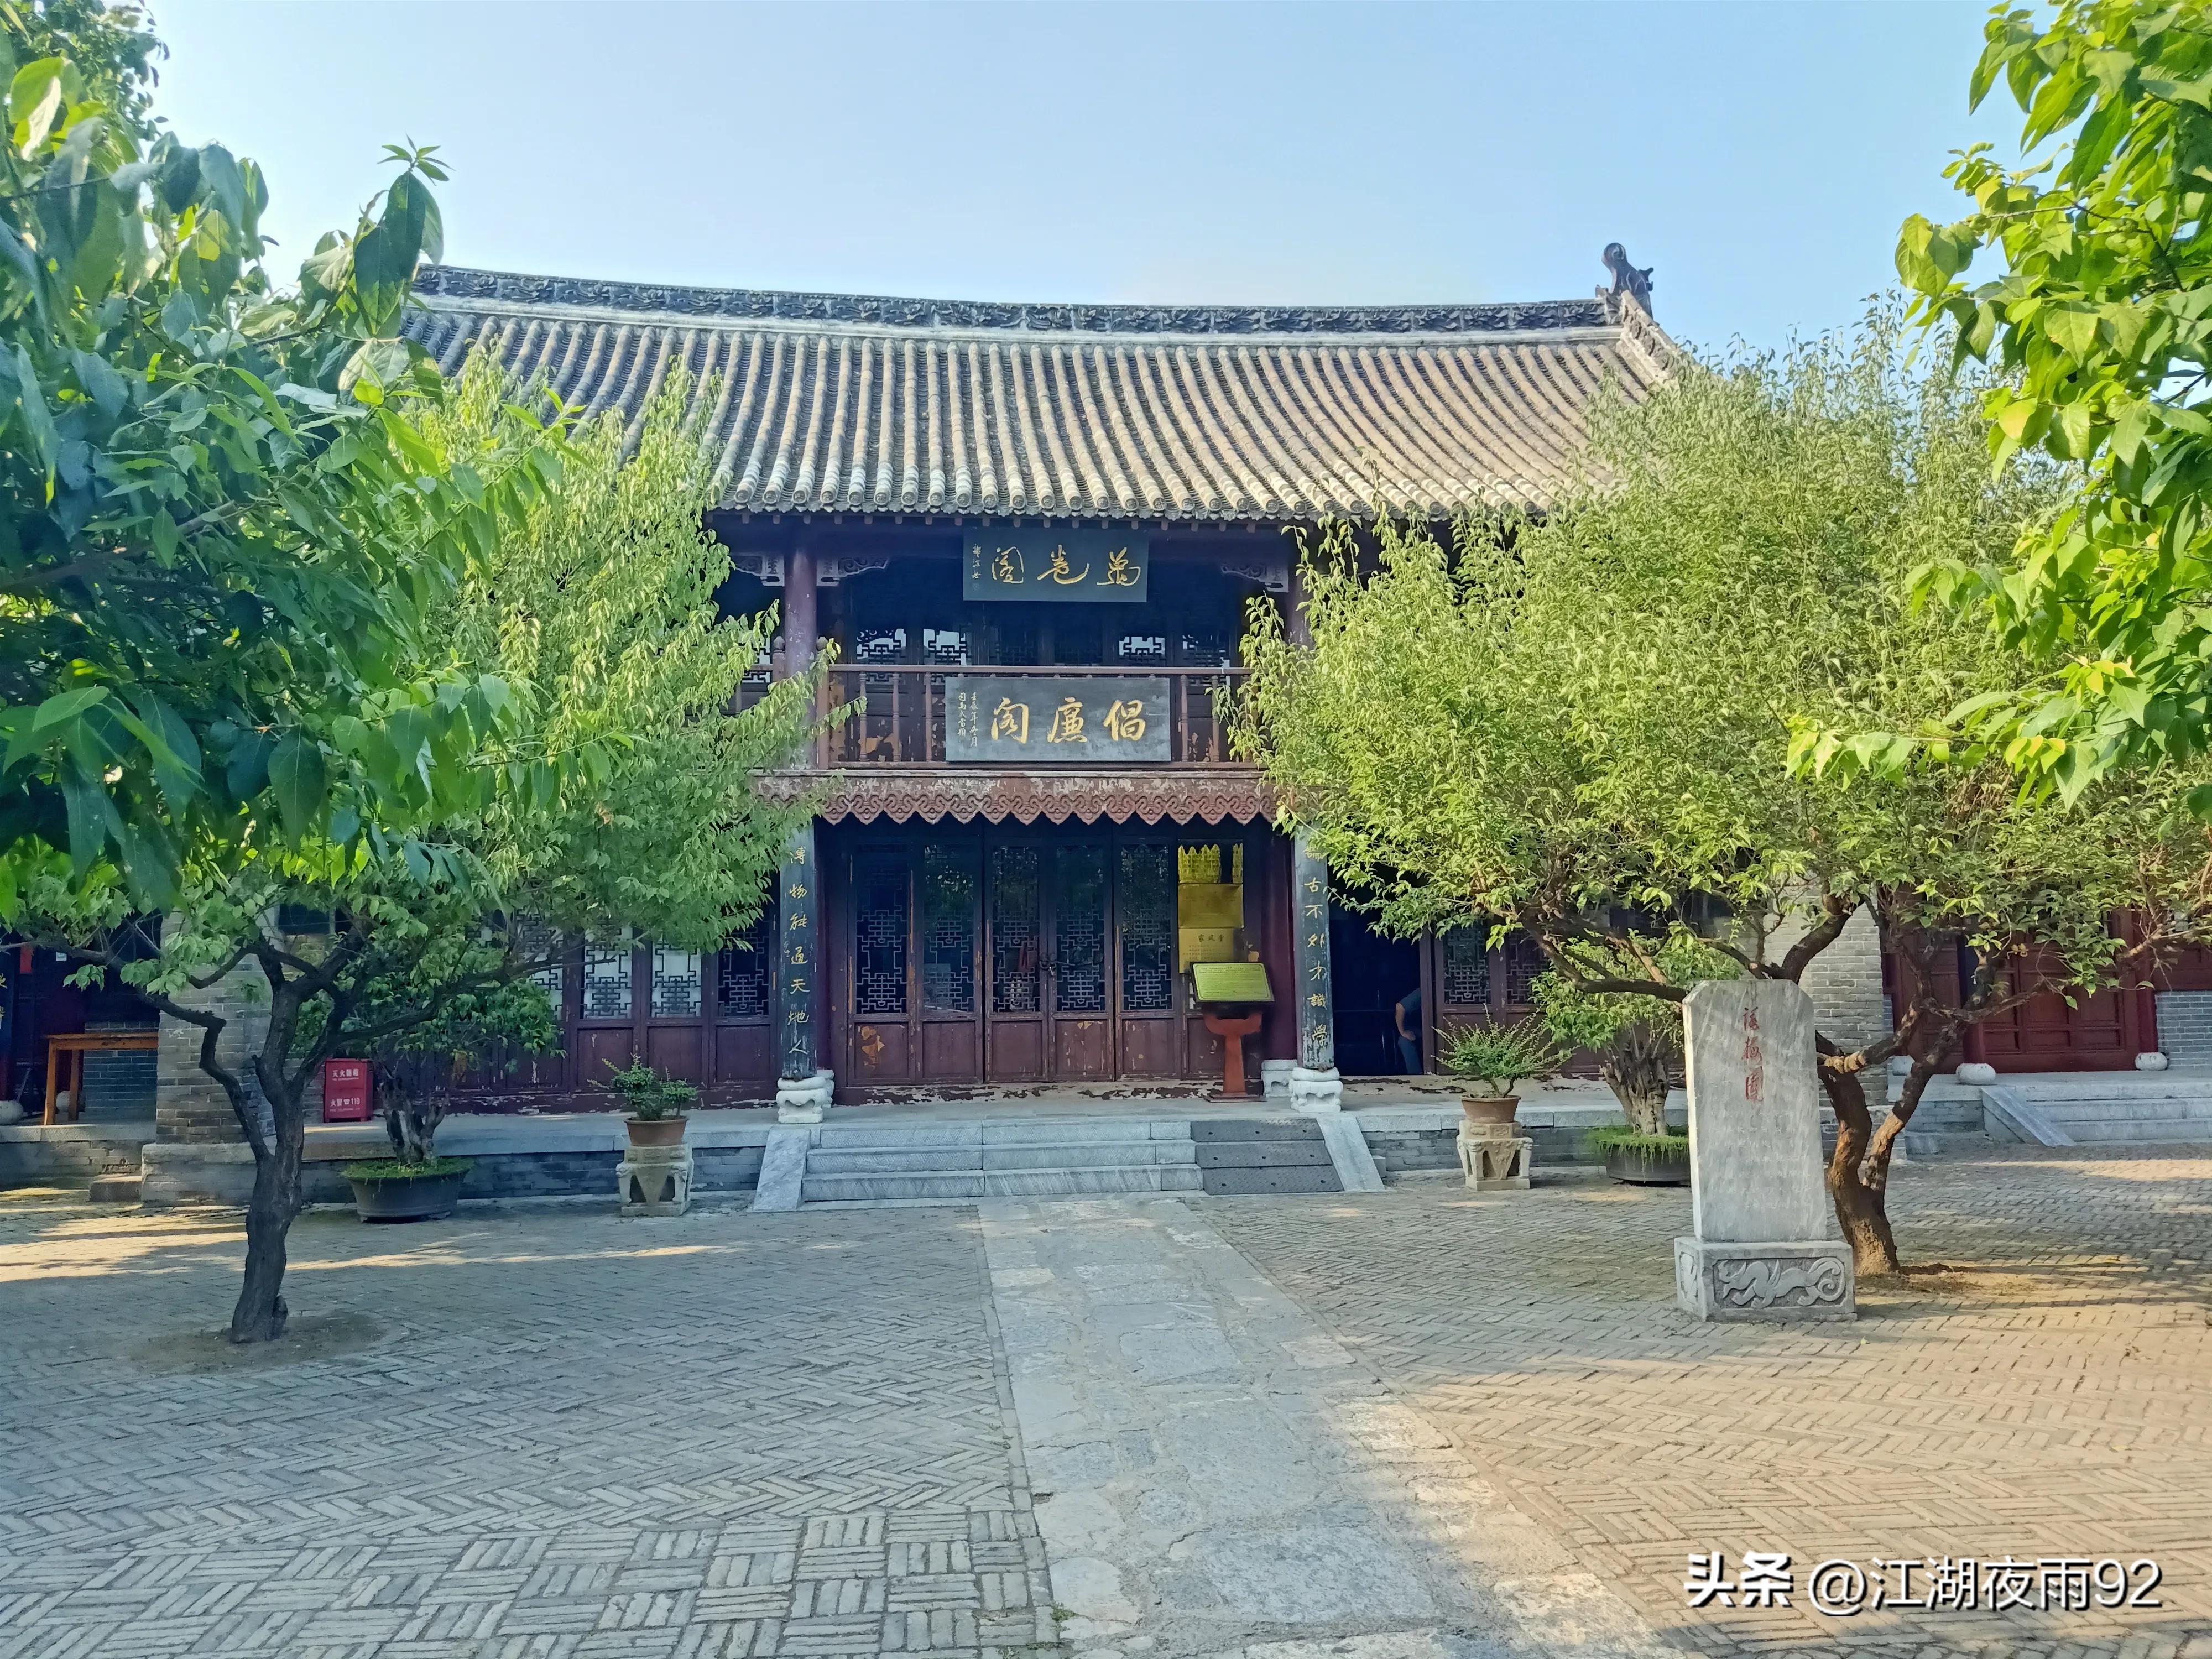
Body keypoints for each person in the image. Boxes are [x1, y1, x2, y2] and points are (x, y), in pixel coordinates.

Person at [1394, 983, 1423, 1073]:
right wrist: (1403, 1032)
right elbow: (1400, 1007)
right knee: (1404, 1041)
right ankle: (1416, 1076)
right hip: (1422, 1030)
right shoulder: (1426, 990)